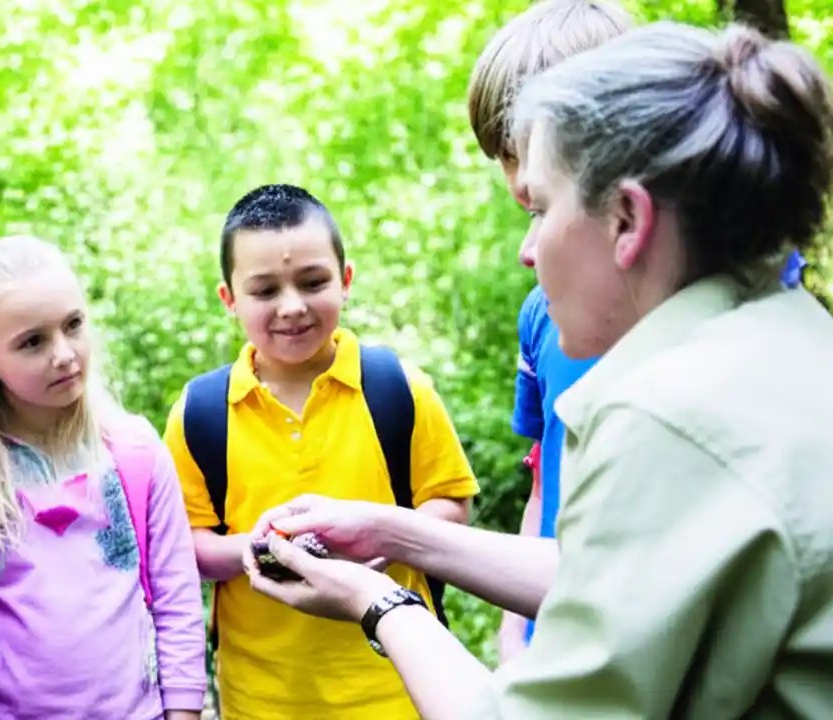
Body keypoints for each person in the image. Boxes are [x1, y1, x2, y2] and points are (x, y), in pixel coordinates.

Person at [245, 22, 833, 719]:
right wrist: (392, 532)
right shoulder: (791, 338)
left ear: (627, 219)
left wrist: (377, 602)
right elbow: (615, 583)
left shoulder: (669, 417)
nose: (529, 250)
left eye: (542, 209)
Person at [164, 184, 478, 719]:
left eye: (313, 282)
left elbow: (451, 503)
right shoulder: (201, 413)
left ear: (346, 280)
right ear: (230, 299)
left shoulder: (397, 389)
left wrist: (386, 538)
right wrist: (260, 549)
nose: (292, 307)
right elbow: (187, 545)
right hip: (263, 698)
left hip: (399, 687)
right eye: (265, 291)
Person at [0, 235, 206, 720]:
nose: (64, 354)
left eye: (73, 325)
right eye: (32, 342)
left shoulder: (133, 452)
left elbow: (176, 601)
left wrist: (183, 712)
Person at [466, 0, 634, 660]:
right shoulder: (542, 312)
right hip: (551, 629)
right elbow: (544, 475)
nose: (515, 177)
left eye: (524, 147)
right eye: (503, 155)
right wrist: (515, 630)